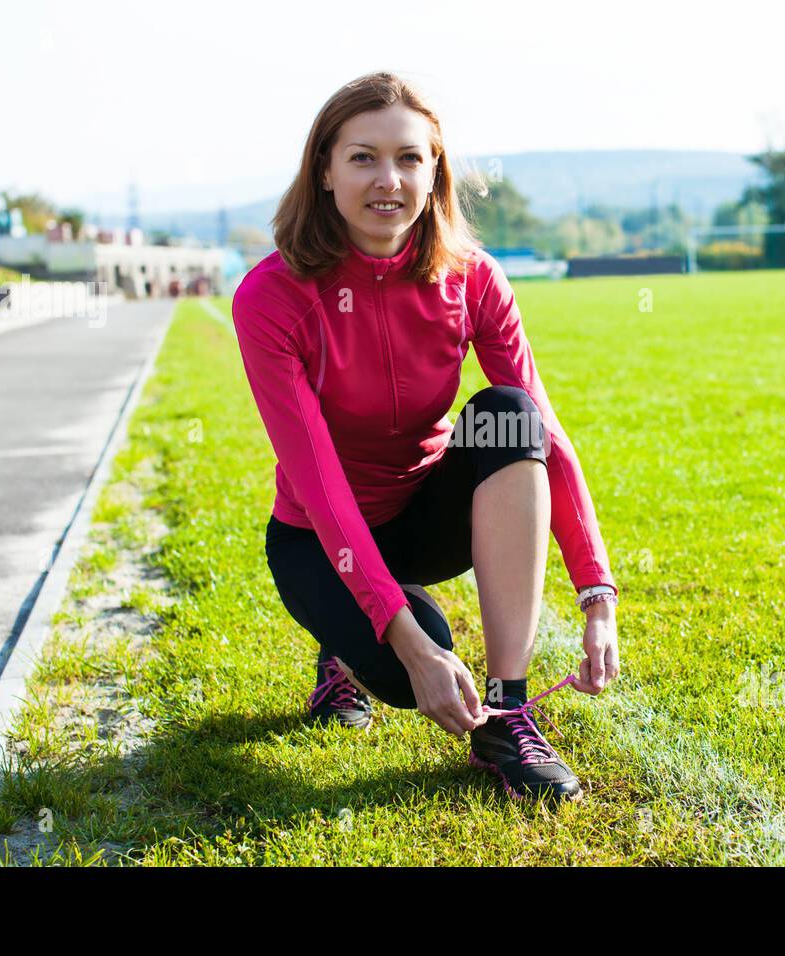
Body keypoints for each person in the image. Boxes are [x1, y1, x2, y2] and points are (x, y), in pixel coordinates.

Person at [231, 71, 619, 803]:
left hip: (422, 516)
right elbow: (317, 482)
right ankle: (344, 654)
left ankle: (506, 716)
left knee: (509, 410)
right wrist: (406, 639)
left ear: (435, 170)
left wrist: (597, 594)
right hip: (319, 534)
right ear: (323, 170)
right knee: (413, 670)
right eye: (363, 157)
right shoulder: (271, 296)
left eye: (410, 158)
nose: (389, 179)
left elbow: (544, 432)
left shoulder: (473, 279)